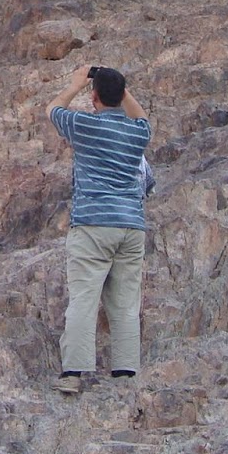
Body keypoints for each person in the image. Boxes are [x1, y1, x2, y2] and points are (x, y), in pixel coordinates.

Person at [47, 66, 152, 394]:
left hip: (93, 222)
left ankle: (74, 372)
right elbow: (142, 115)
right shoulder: (139, 132)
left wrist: (77, 82)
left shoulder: (84, 125)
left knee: (84, 297)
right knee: (125, 300)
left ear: (93, 97)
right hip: (132, 224)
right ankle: (125, 372)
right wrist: (119, 87)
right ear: (122, 96)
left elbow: (51, 109)